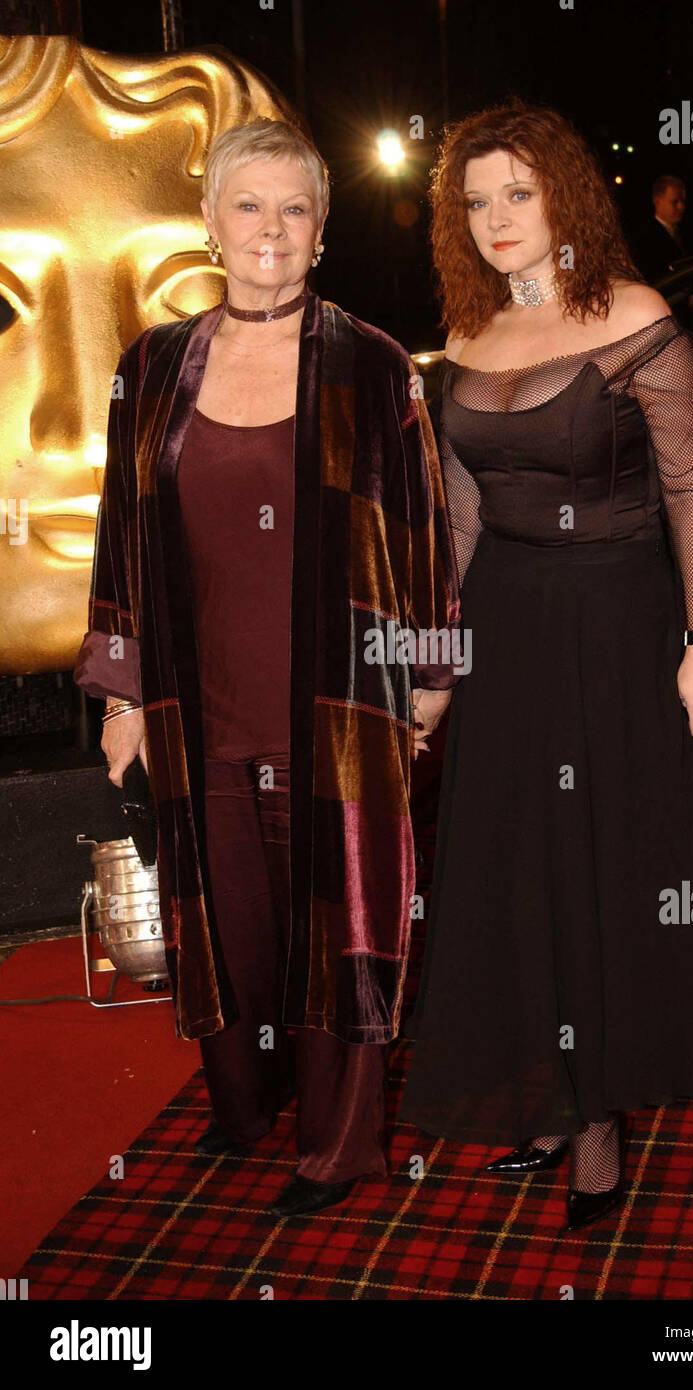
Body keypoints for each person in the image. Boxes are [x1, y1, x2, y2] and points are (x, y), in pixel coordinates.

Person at [73, 117, 461, 1220]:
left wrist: (430, 674)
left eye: (296, 209)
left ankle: (340, 1147)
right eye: (250, 204)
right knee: (227, 925)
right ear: (209, 221)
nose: (271, 229)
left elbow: (424, 527)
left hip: (340, 704)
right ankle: (245, 1105)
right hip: (198, 704)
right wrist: (120, 689)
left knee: (343, 924)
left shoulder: (375, 363)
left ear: (323, 232)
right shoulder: (150, 365)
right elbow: (120, 532)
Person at [400, 102, 693, 1236]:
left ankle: (598, 1122)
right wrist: (436, 665)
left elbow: (692, 494)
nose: (496, 217)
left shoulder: (635, 318)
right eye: (476, 199)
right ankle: (541, 1087)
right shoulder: (468, 336)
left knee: (601, 863)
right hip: (506, 628)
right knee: (512, 861)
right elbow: (458, 523)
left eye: (517, 193)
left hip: (618, 620)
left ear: (564, 200)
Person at [631, 175, 688, 284]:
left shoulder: (686, 232)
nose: (681, 207)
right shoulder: (645, 239)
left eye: (683, 201)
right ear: (658, 202)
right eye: (675, 202)